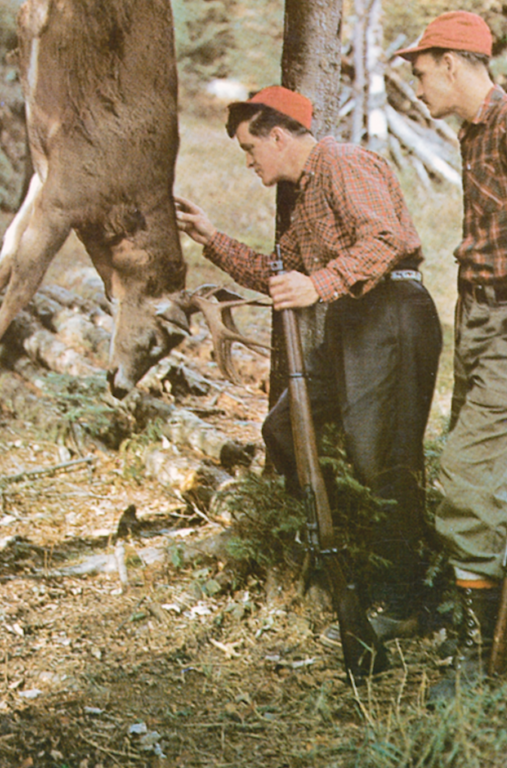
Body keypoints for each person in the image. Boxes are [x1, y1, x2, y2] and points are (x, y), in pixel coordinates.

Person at [176, 85, 442, 638]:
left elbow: (384, 237)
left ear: (278, 135)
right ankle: (350, 552)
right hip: (352, 320)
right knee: (282, 429)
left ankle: (406, 598)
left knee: (381, 462)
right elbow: (278, 270)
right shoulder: (307, 194)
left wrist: (318, 284)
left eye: (251, 148)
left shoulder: (344, 164)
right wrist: (211, 238)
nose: (248, 162)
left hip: (392, 311)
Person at [394, 11, 507, 691]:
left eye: (421, 73)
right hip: (480, 314)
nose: (418, 88)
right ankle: (495, 611)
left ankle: (480, 651)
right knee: (481, 464)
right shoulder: (473, 132)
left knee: (466, 471)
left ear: (452, 62)